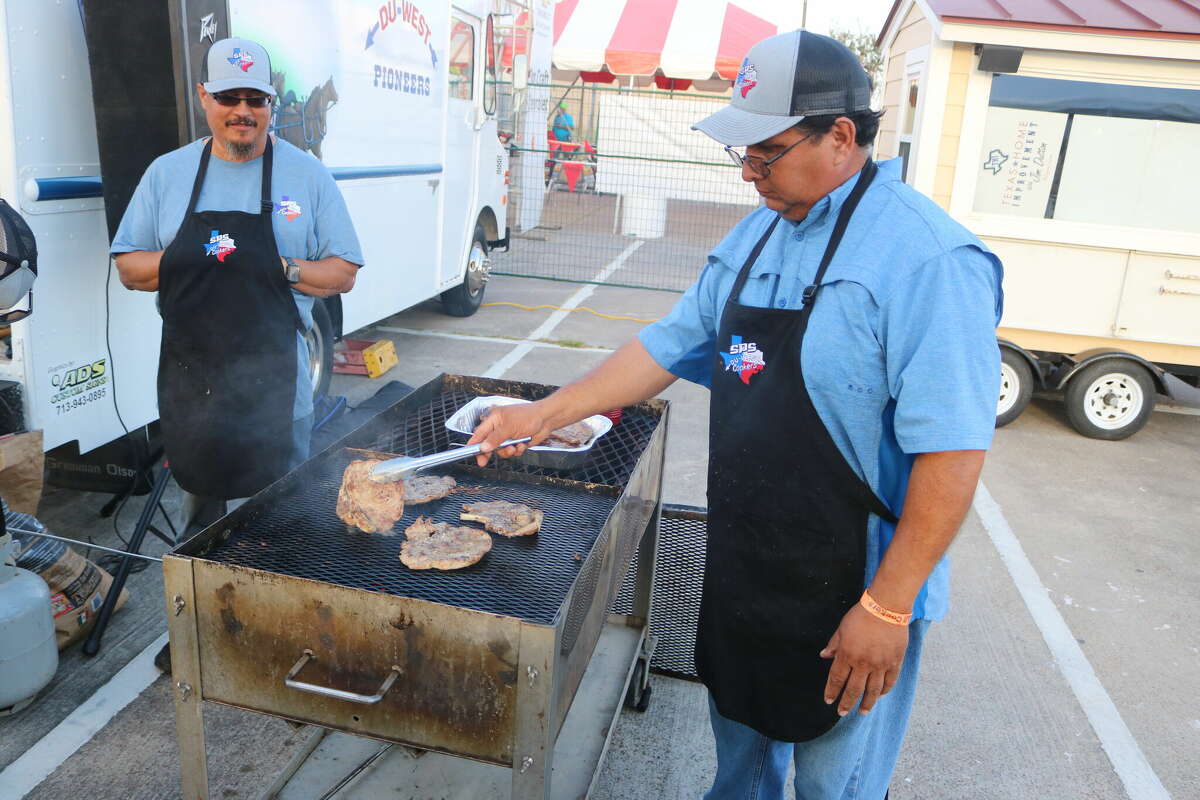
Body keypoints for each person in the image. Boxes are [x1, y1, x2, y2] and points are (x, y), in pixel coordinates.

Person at [471, 30, 1003, 800]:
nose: (750, 171)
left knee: (835, 784)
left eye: (767, 152)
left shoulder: (929, 261)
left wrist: (888, 608)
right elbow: (666, 345)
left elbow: (953, 452)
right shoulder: (758, 233)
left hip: (857, 581)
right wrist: (543, 413)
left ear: (841, 136)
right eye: (742, 152)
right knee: (741, 763)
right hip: (749, 558)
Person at [112, 36, 363, 533]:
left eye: (256, 99)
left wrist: (281, 268)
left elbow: (344, 272)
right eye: (228, 97)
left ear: (271, 102)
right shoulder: (167, 174)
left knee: (283, 524)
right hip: (192, 385)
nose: (242, 111)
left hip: (279, 387)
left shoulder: (308, 176)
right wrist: (190, 259)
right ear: (204, 97)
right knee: (201, 531)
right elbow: (129, 269)